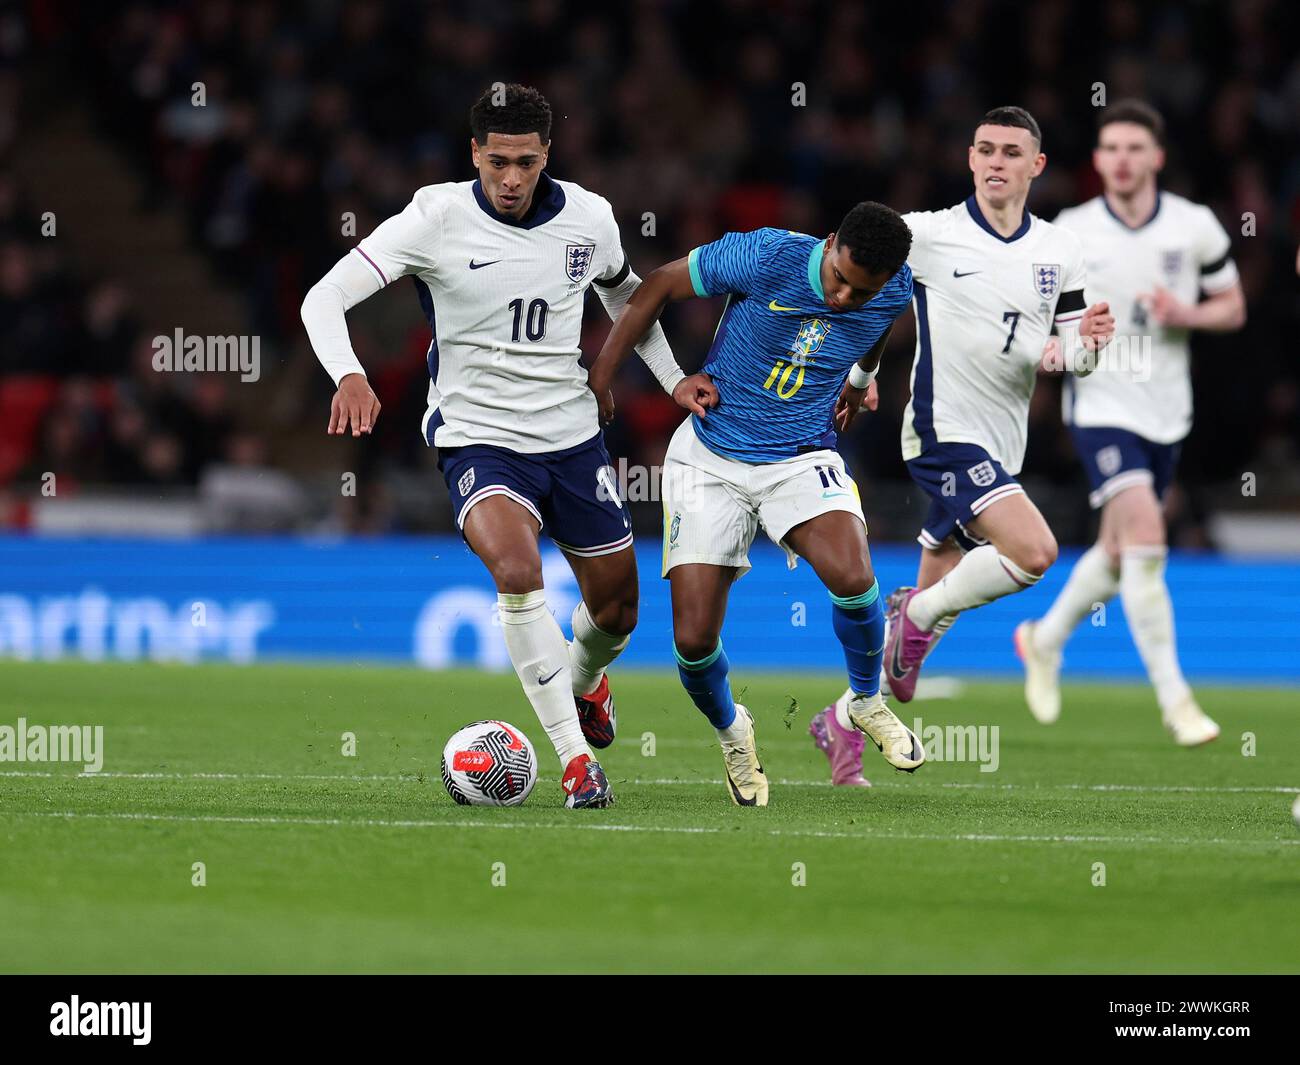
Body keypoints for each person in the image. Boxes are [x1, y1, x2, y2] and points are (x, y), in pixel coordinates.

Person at [300, 84, 685, 807]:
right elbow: (322, 296)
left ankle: (586, 680)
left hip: (572, 441)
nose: (511, 179)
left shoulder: (589, 219)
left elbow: (628, 298)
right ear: (473, 152)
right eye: (498, 161)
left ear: (548, 157)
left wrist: (671, 380)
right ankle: (576, 762)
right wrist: (348, 373)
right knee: (516, 568)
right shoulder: (435, 216)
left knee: (619, 612)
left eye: (527, 163)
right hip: (478, 438)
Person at [588, 202, 923, 805]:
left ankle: (866, 700)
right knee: (692, 640)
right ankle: (733, 733)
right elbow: (660, 282)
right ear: (830, 242)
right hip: (711, 453)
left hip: (799, 454)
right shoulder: (770, 255)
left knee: (852, 575)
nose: (845, 297)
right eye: (840, 278)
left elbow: (871, 335)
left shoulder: (893, 288)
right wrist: (606, 377)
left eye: (860, 290)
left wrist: (857, 384)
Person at [822, 107, 1114, 752]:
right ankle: (913, 615)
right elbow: (866, 286)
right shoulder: (927, 235)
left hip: (1003, 446)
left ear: (1036, 166)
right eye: (985, 150)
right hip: (941, 431)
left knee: (908, 661)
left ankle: (840, 723)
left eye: (1012, 152)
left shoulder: (1060, 250)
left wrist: (1090, 346)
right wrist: (859, 375)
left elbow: (1071, 356)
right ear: (970, 159)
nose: (996, 163)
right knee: (1034, 554)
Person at [1016, 100, 1245, 745]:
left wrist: (1185, 313)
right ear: (1097, 160)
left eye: (1134, 148)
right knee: (1146, 535)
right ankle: (1177, 703)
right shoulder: (1070, 230)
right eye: (1110, 147)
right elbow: (1036, 316)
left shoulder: (1194, 226)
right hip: (1101, 404)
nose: (1121, 159)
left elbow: (1232, 307)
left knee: (1119, 553)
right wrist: (1057, 350)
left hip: (1168, 410)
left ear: (1156, 158)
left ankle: (1044, 638)